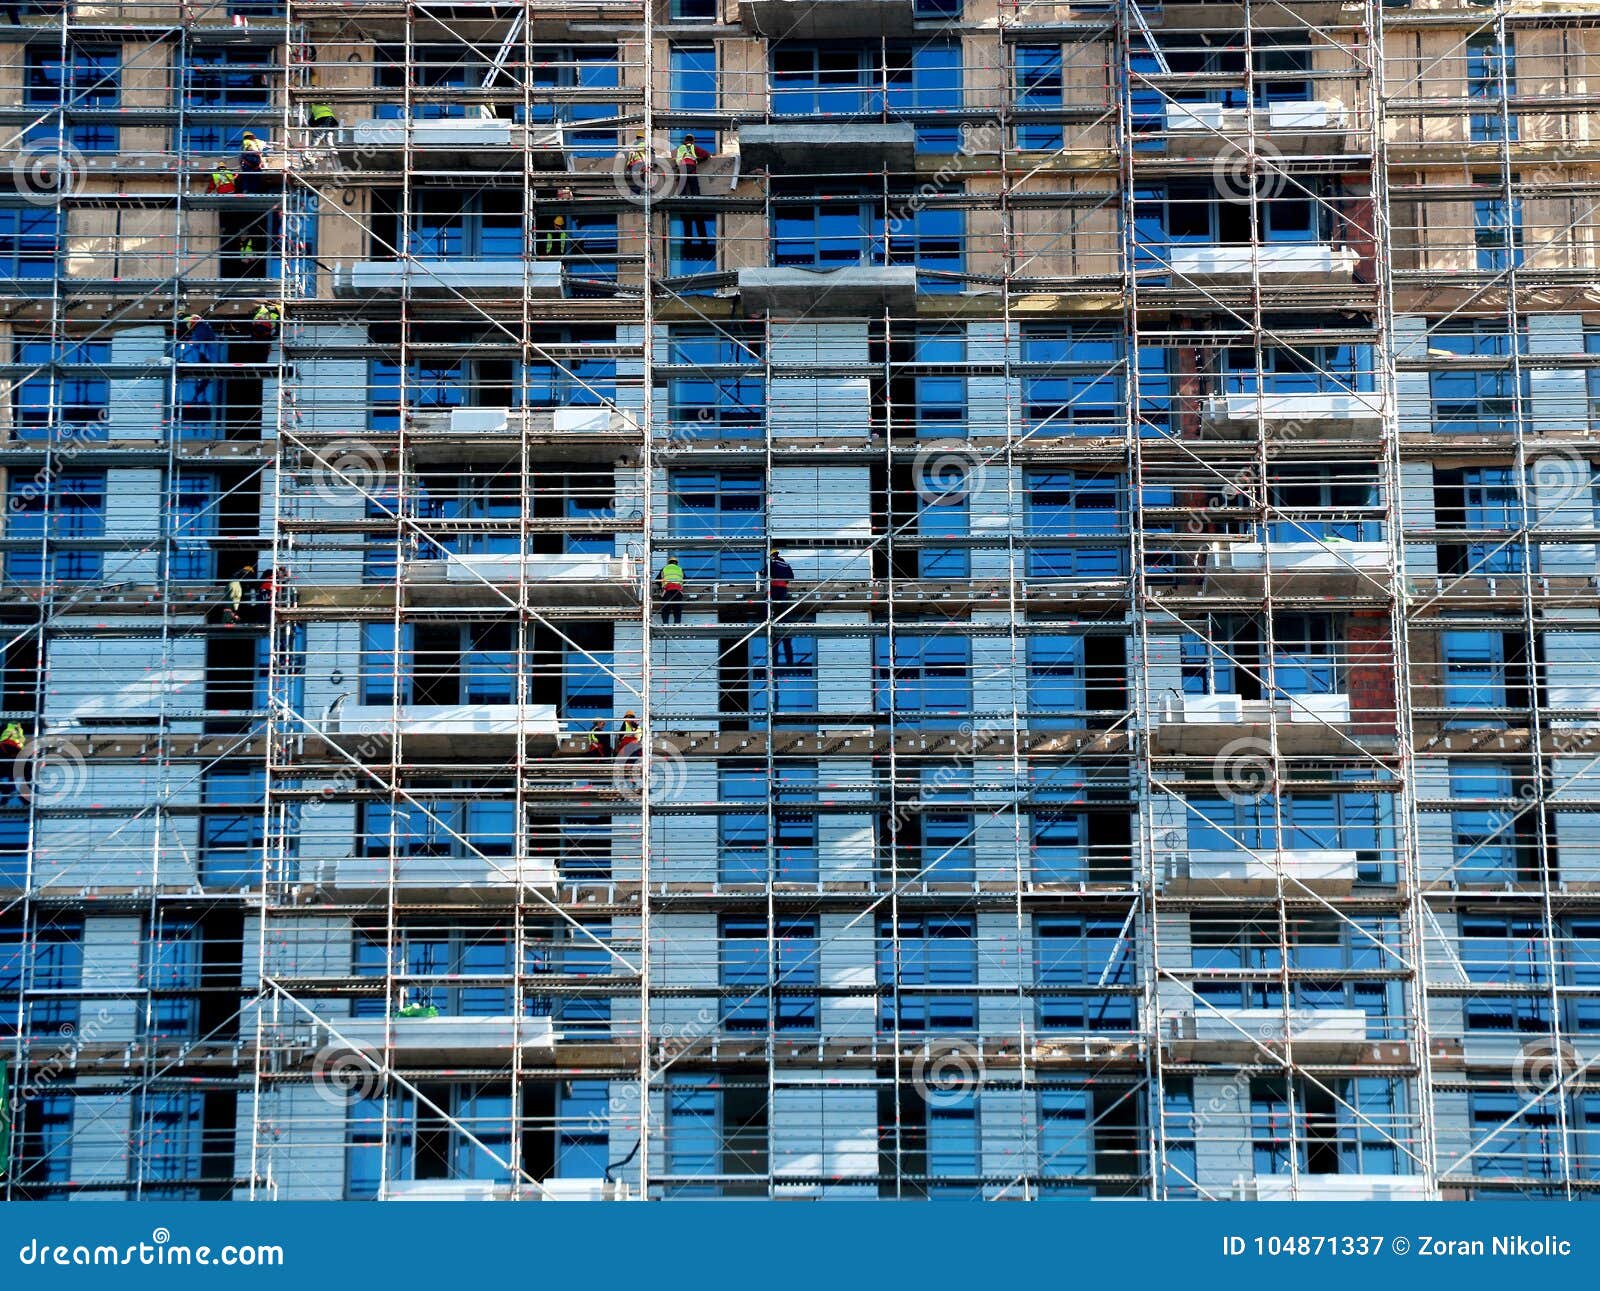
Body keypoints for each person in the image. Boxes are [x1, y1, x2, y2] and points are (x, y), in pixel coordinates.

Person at [768, 549, 795, 665]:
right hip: (783, 587)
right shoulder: (785, 563)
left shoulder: (773, 563)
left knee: (770, 604)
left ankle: (774, 664)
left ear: (772, 555)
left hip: (774, 586)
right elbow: (791, 576)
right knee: (782, 607)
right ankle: (790, 663)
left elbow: (766, 573)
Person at [673, 133, 710, 197]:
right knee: (694, 188)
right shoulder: (694, 147)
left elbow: (674, 157)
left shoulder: (680, 148)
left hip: (682, 169)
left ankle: (681, 204)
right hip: (691, 168)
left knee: (682, 190)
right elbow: (707, 154)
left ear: (684, 141)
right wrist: (699, 160)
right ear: (693, 141)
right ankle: (696, 203)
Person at [0, 721, 26, 803]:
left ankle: (8, 792)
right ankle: (9, 791)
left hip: (9, 750)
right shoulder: (16, 730)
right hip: (9, 750)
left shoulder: (10, 729)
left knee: (14, 774)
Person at [658, 555, 684, 625]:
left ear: (668, 563)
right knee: (677, 609)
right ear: (676, 563)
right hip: (678, 591)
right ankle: (677, 624)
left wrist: (661, 586)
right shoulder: (680, 569)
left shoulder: (664, 568)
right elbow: (684, 580)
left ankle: (665, 623)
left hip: (667, 590)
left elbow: (657, 580)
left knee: (666, 609)